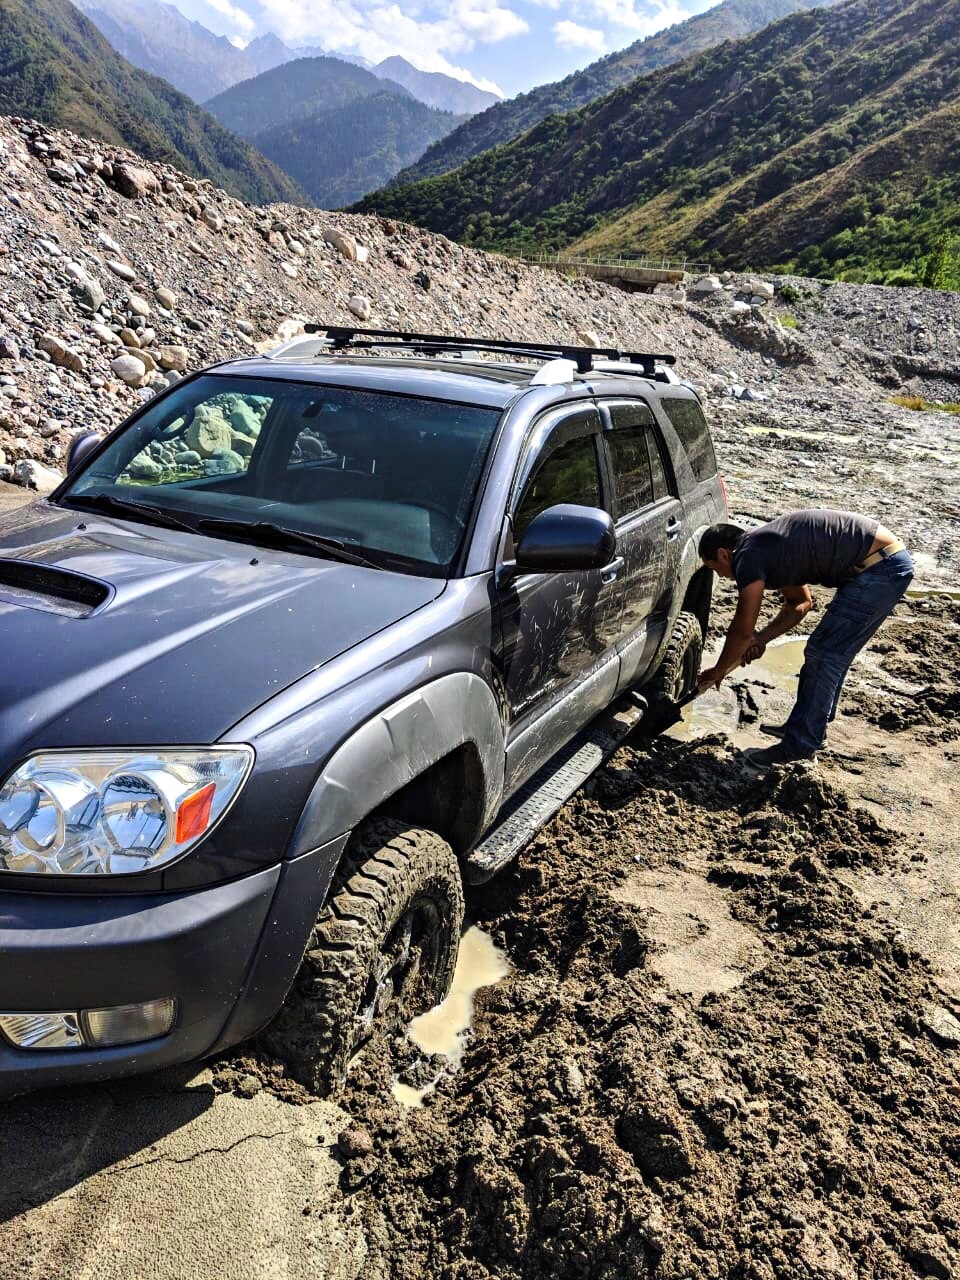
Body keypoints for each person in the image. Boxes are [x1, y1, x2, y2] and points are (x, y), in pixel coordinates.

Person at [697, 510, 914, 768]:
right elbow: (800, 602)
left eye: (715, 568)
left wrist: (719, 669)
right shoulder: (767, 549)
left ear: (723, 554)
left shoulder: (747, 554)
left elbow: (741, 629)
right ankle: (808, 726)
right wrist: (762, 639)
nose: (721, 576)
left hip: (880, 567)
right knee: (831, 651)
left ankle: (800, 747)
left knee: (825, 653)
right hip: (881, 564)